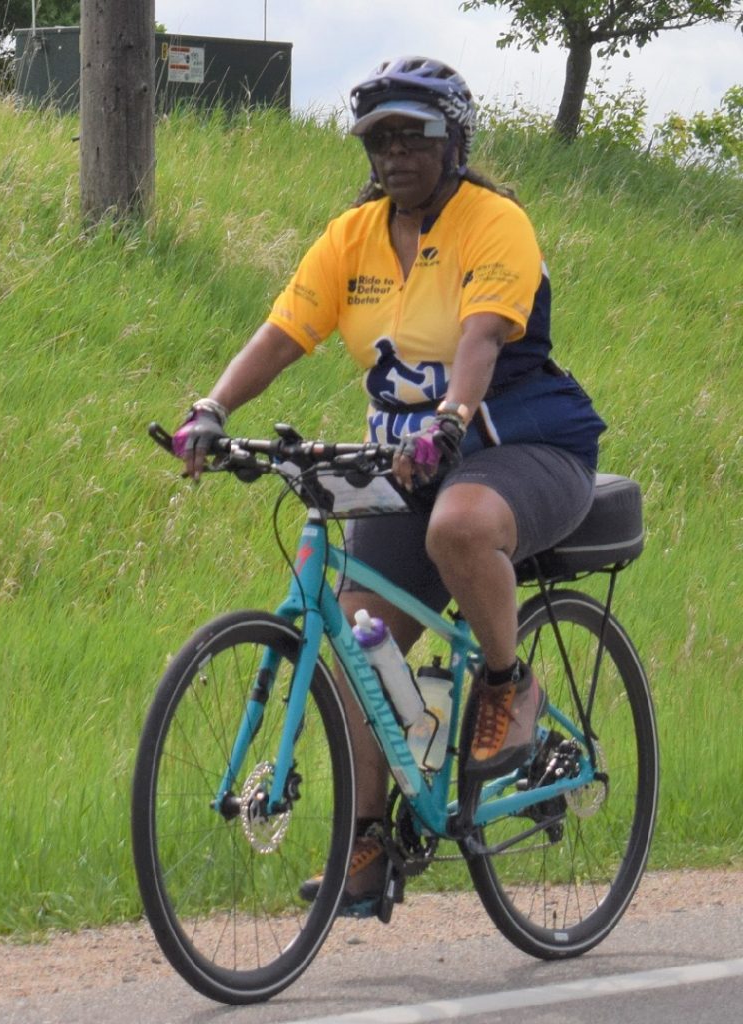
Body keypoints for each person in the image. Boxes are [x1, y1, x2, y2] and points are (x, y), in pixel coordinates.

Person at [171, 56, 606, 915]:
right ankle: (370, 843)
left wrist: (449, 420)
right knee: (360, 644)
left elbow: (480, 339)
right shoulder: (353, 237)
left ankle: (507, 685)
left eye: (416, 136)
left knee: (459, 527)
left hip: (524, 442)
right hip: (409, 462)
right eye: (380, 139)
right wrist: (213, 407)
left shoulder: (496, 221)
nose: (396, 153)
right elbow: (283, 332)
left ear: (455, 142)